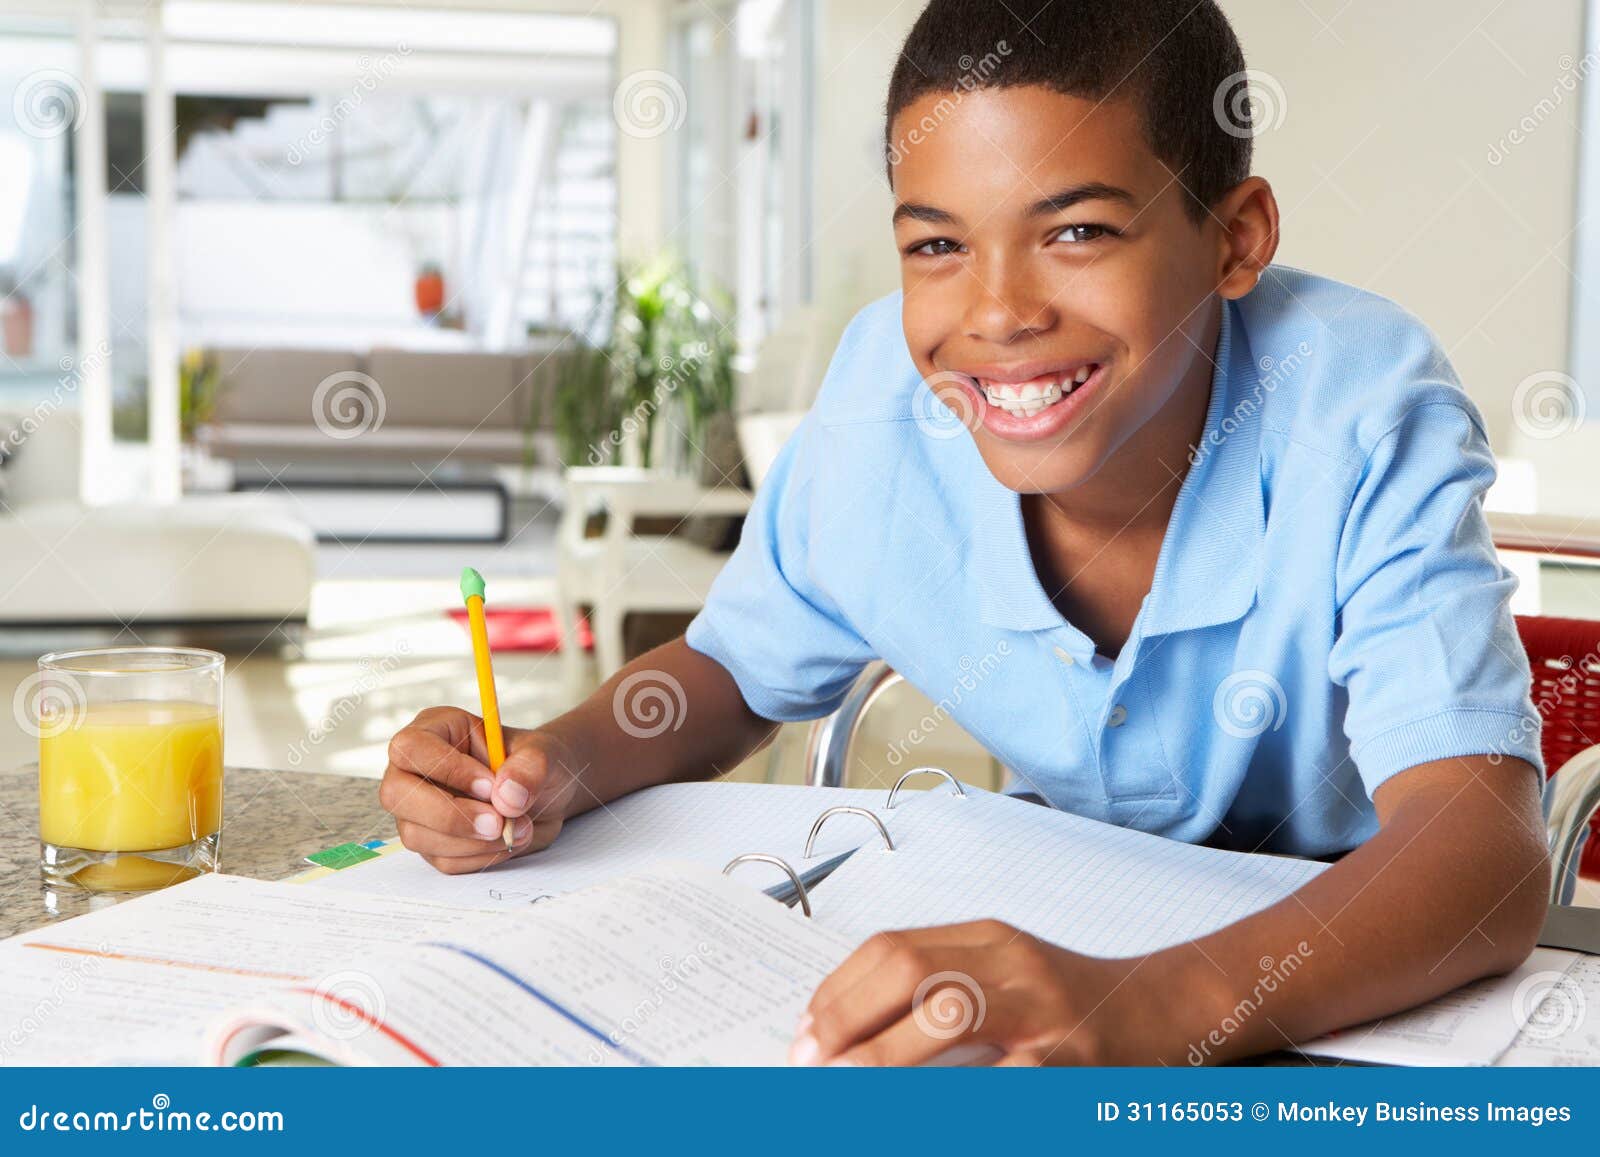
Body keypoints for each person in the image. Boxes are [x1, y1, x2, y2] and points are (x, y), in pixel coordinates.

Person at [378, 0, 1549, 1065]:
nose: (995, 313)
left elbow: (1480, 850)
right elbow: (731, 667)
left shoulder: (1357, 402)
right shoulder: (880, 401)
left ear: (1235, 238)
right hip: (1068, 923)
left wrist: (1150, 1005)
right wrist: (551, 765)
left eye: (1078, 231)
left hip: (1354, 977)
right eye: (937, 244)